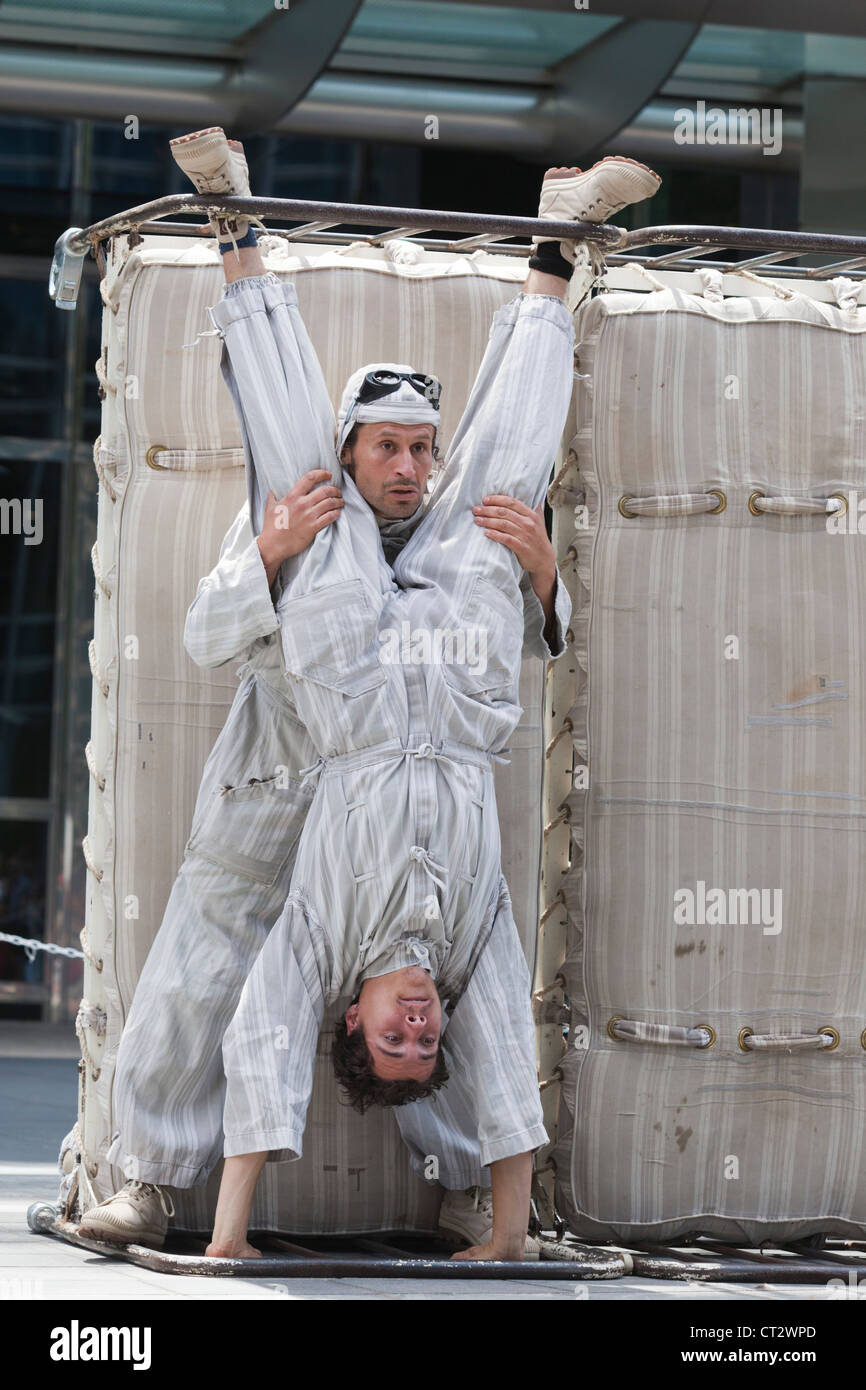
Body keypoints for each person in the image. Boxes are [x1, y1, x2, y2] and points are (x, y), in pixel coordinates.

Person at [148, 130, 661, 1262]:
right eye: (429, 1046)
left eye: (395, 1040)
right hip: (463, 685)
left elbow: (264, 1046)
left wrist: (227, 1243)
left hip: (354, 683)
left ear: (355, 1020)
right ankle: (558, 233)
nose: (421, 1026)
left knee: (288, 468)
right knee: (511, 480)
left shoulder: (319, 936)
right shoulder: (469, 946)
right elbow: (507, 1074)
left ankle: (231, 221)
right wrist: (513, 1237)